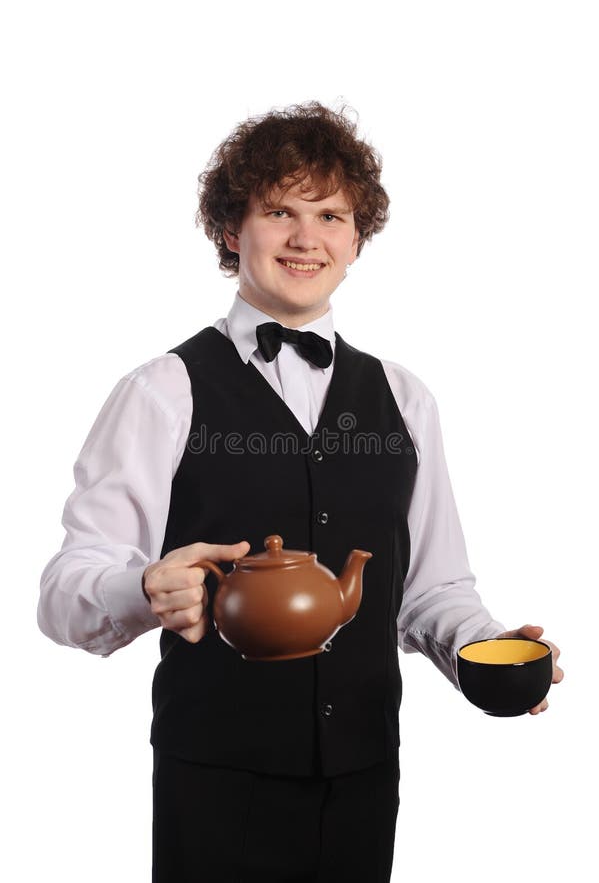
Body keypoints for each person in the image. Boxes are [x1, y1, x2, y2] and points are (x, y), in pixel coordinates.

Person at [37, 101, 563, 883]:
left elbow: (430, 590)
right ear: (230, 230)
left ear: (356, 238)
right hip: (215, 776)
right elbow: (64, 595)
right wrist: (145, 587)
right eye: (277, 210)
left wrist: (482, 652)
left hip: (360, 776)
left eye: (329, 214)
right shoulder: (162, 391)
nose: (304, 237)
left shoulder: (404, 397)